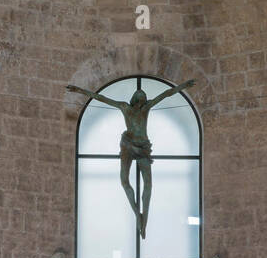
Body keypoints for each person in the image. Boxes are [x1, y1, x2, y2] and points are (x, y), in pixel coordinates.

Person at [68, 78, 195, 238]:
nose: (142, 101)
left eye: (144, 99)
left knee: (148, 184)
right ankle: (137, 214)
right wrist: (79, 90)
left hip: (142, 147)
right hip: (128, 145)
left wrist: (182, 86)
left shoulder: (146, 108)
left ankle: (144, 220)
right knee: (124, 181)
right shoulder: (124, 107)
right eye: (140, 98)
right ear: (135, 99)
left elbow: (165, 95)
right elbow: (101, 98)